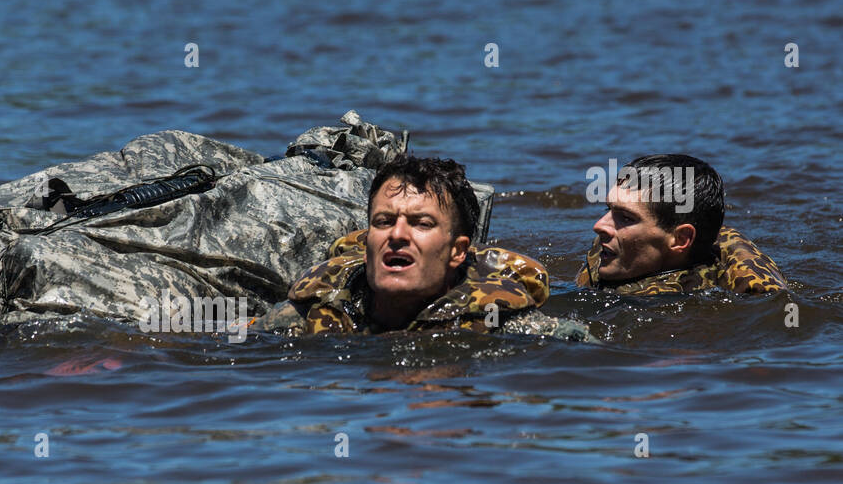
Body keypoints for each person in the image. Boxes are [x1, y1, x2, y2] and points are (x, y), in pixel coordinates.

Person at [255, 154, 582, 337]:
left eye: (421, 223)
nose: (396, 235)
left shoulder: (505, 322)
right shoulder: (311, 311)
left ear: (457, 251)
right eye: (383, 221)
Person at [577, 154, 788, 294]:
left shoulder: (691, 308)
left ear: (680, 239)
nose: (599, 225)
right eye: (609, 209)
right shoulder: (608, 251)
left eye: (626, 218)